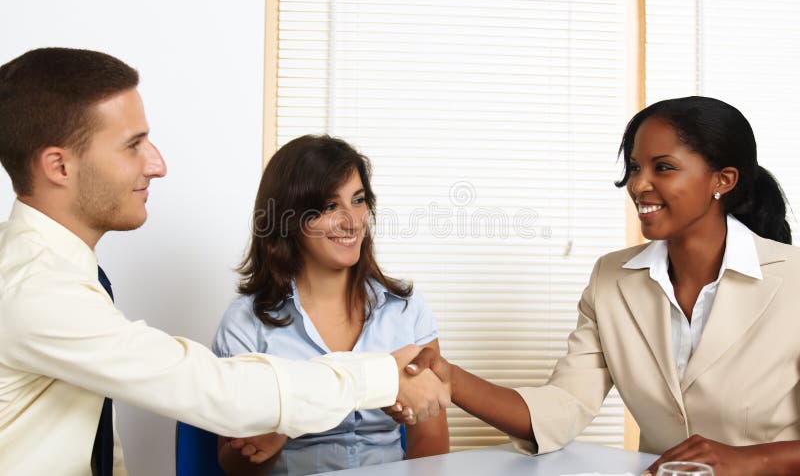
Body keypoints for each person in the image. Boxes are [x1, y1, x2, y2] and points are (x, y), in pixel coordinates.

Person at [0, 47, 449, 476]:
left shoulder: (58, 272)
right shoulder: (35, 289)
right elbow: (217, 391)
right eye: (133, 144)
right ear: (59, 167)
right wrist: (383, 375)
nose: (157, 164)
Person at [395, 96, 800, 475]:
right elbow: (562, 406)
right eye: (636, 168)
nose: (638, 185)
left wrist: (750, 460)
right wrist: (452, 378)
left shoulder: (793, 281)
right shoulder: (612, 278)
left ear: (723, 180)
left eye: (663, 167)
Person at [212, 134, 450, 475]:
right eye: (328, 206)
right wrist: (275, 431)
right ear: (288, 218)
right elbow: (234, 463)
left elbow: (431, 444)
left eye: (358, 200)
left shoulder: (405, 310)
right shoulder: (245, 323)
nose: (351, 221)